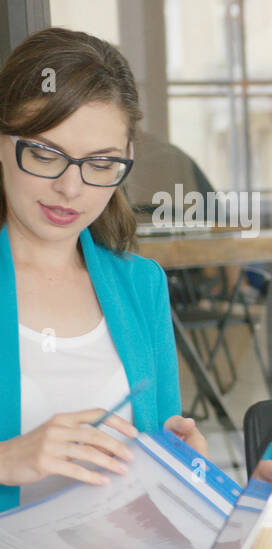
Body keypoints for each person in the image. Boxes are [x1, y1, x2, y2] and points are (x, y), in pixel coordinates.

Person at [0, 27, 206, 513]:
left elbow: (160, 468)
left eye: (100, 163)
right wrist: (7, 459)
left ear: (126, 159)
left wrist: (183, 469)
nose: (71, 188)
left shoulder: (140, 284)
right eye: (45, 154)